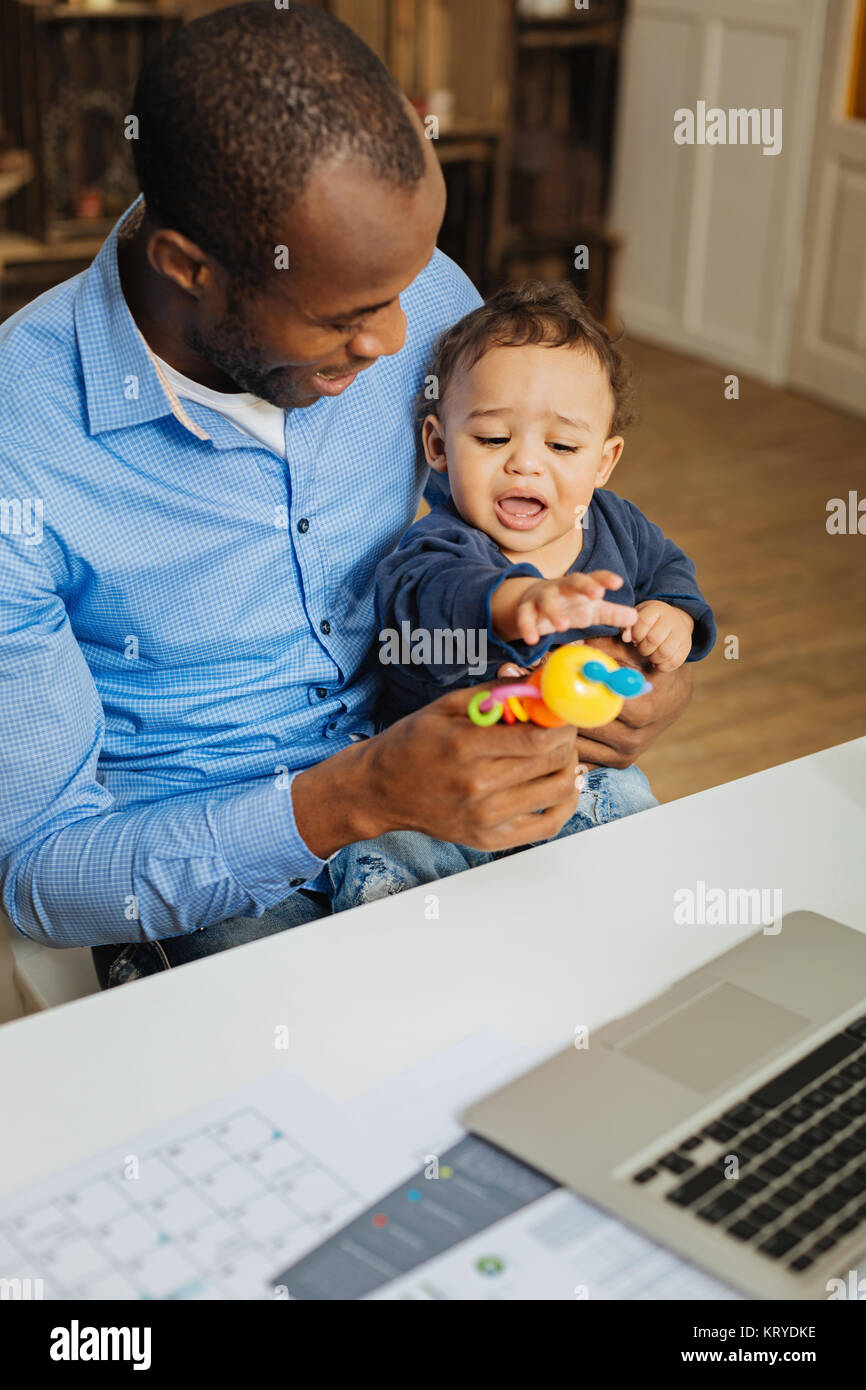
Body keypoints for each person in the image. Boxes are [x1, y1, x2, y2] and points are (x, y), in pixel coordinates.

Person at [0, 4, 693, 990]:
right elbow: (42, 873)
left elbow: (531, 513)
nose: (394, 339)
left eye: (410, 285)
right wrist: (352, 798)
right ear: (188, 269)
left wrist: (631, 660)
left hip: (447, 759)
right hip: (220, 876)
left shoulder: (411, 298)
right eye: (348, 318)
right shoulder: (21, 451)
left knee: (649, 987)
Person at [328, 281, 715, 908]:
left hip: (574, 776)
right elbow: (428, 597)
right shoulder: (438, 543)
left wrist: (673, 615)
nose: (525, 464)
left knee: (639, 843)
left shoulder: (618, 526)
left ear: (603, 460)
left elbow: (671, 569)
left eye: (561, 446)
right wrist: (515, 603)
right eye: (492, 439)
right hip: (435, 795)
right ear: (438, 447)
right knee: (382, 881)